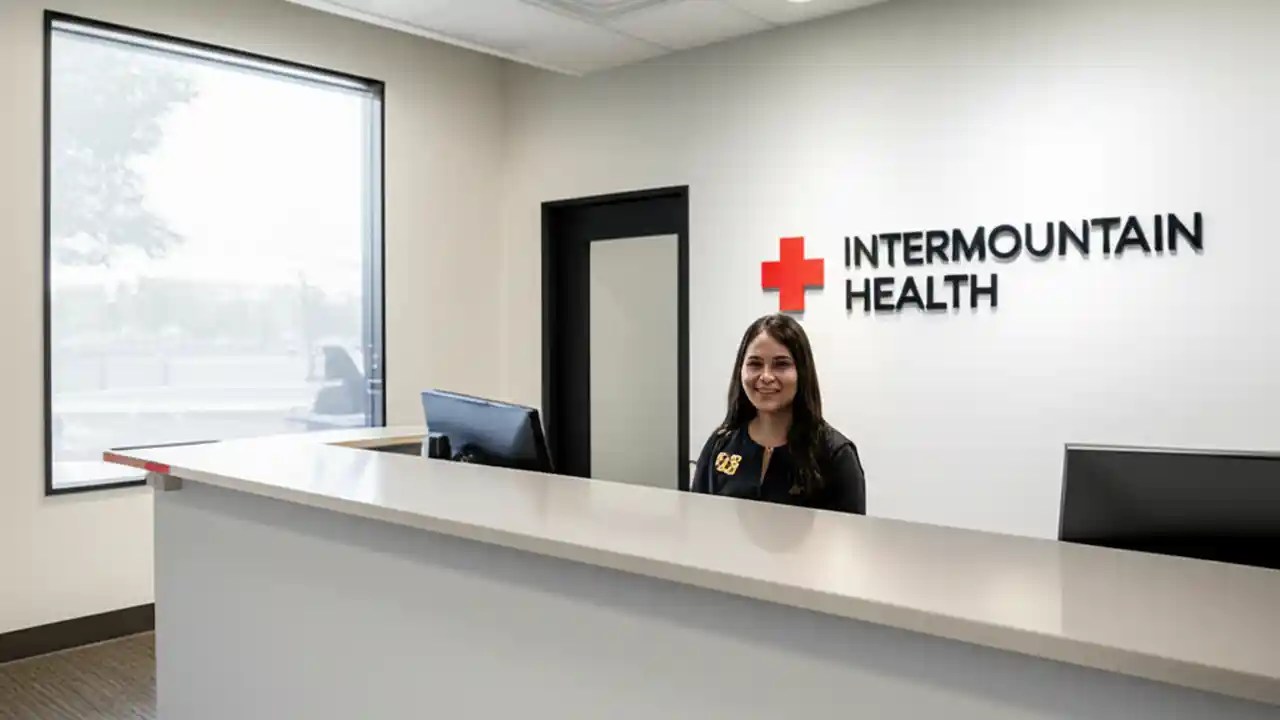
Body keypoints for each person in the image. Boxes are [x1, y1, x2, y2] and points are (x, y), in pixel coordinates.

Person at [690, 314, 866, 514]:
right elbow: (698, 525)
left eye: (781, 364)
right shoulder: (720, 444)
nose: (766, 376)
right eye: (755, 364)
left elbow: (848, 541)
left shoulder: (836, 455)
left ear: (802, 372)